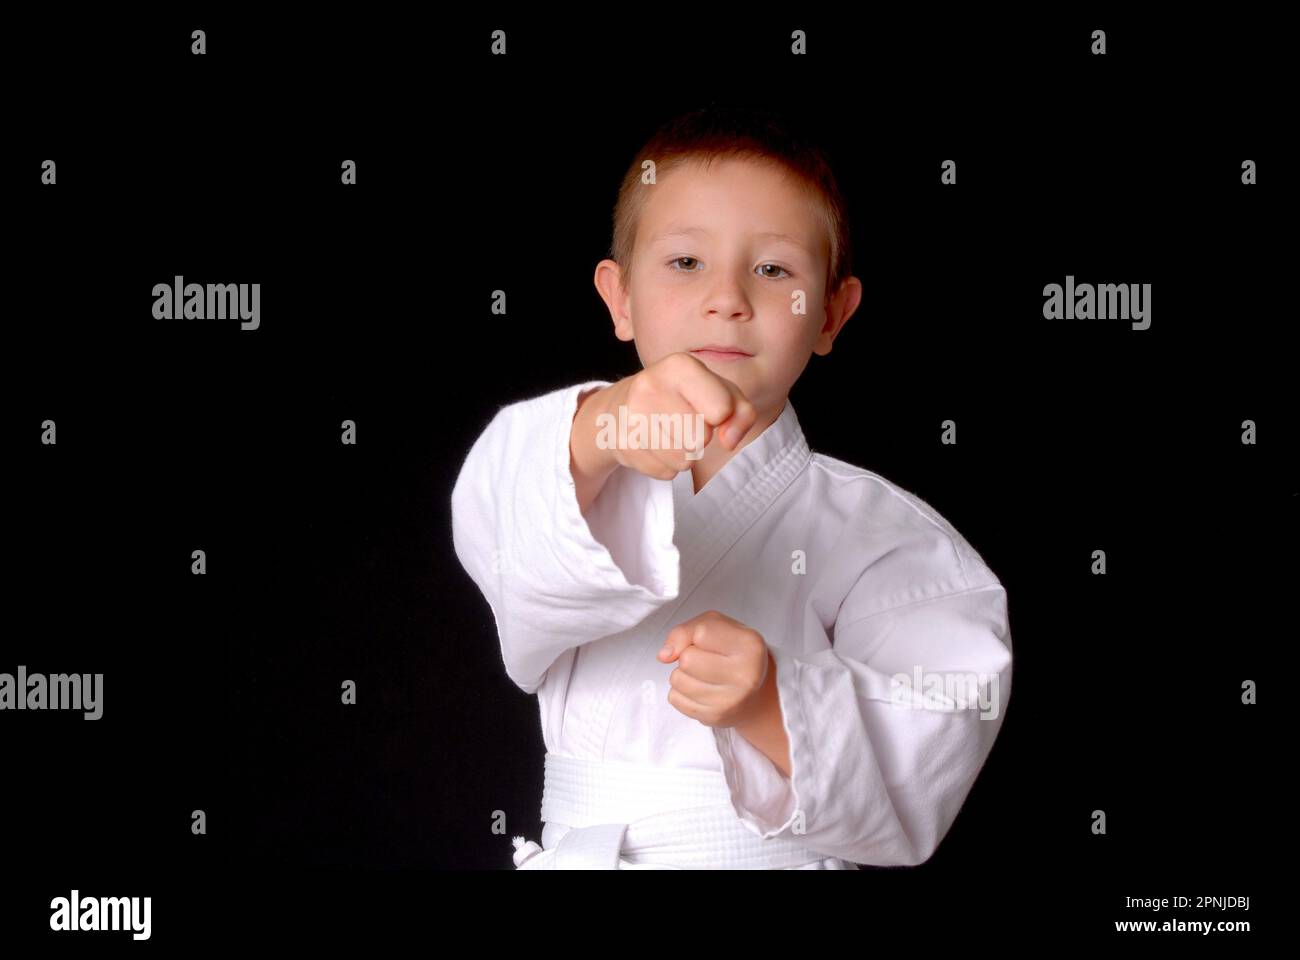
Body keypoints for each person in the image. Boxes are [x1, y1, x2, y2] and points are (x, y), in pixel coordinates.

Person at [452, 105, 1013, 869]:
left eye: (773, 270)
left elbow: (926, 758)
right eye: (686, 262)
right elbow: (503, 543)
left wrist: (774, 705)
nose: (727, 298)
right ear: (619, 298)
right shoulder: (567, 467)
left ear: (831, 313)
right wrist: (603, 426)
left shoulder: (890, 539)